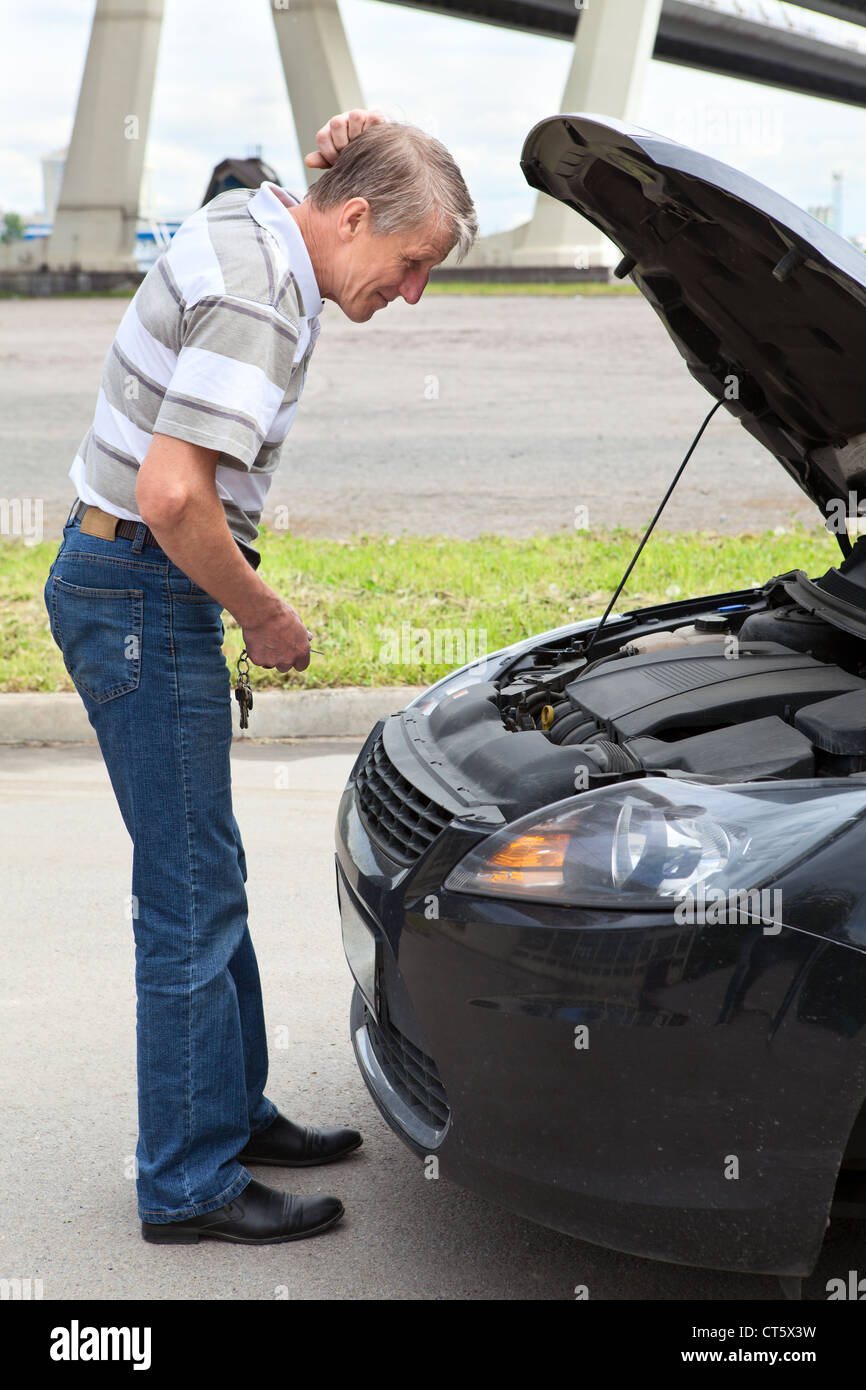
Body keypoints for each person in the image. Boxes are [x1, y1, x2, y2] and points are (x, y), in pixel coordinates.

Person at [43, 109, 478, 1246]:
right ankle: (188, 1182)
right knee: (188, 899)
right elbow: (176, 497)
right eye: (412, 262)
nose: (412, 292)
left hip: (124, 582)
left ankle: (229, 1113)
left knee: (207, 871)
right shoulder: (261, 298)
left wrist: (356, 134)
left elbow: (287, 174)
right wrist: (265, 613)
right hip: (143, 586)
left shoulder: (256, 222)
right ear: (348, 219)